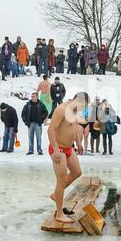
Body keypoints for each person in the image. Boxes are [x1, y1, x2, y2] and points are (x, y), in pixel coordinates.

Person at [48, 93, 91, 221]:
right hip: (58, 149)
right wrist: (55, 150)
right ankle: (60, 214)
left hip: (69, 148)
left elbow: (75, 127)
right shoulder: (61, 109)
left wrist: (78, 142)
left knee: (77, 172)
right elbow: (50, 130)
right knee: (61, 181)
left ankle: (57, 195)